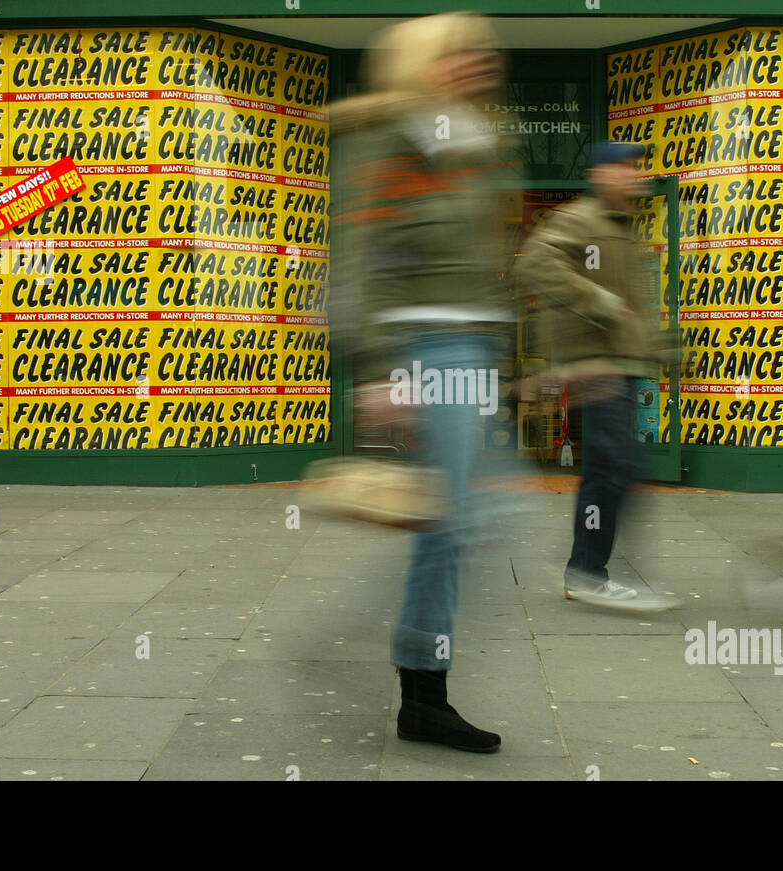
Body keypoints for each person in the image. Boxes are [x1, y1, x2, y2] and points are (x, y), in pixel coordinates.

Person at [327, 12, 517, 752]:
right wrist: (377, 369)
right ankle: (419, 689)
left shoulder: (474, 140)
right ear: (423, 61)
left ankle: (414, 676)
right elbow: (364, 253)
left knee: (468, 520)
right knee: (456, 521)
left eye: (483, 52)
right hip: (427, 347)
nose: (479, 63)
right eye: (460, 53)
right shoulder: (394, 138)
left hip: (468, 348)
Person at [516, 142, 679, 606]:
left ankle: (586, 568)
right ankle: (587, 570)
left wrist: (657, 348)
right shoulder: (581, 219)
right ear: (600, 173)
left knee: (612, 472)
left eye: (636, 167)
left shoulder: (621, 228)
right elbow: (536, 262)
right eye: (624, 167)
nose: (634, 175)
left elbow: (631, 309)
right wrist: (598, 303)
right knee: (614, 470)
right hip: (595, 366)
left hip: (622, 365)